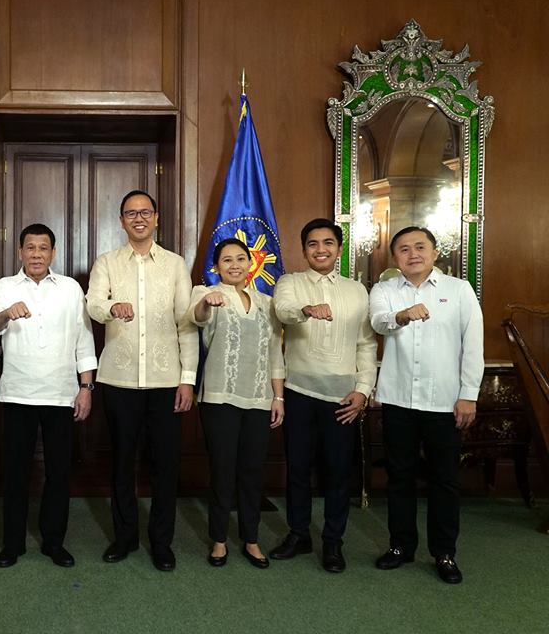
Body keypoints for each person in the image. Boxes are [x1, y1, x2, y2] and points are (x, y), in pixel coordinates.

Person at [86, 190, 198, 572]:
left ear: (156, 218)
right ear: (121, 221)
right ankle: (125, 537)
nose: (138, 218)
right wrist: (110, 306)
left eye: (145, 212)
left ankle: (161, 543)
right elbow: (93, 304)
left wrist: (187, 379)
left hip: (166, 381)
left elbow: (187, 323)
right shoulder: (107, 262)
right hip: (119, 379)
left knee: (166, 465)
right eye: (131, 213)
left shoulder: (175, 264)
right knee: (122, 462)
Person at [369, 226, 483, 584]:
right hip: (398, 399)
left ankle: (444, 553)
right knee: (399, 477)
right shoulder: (385, 290)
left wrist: (469, 394)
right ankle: (401, 546)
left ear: (435, 253)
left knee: (444, 480)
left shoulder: (459, 290)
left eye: (420, 247)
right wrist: (402, 315)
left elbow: (473, 345)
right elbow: (378, 322)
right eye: (403, 249)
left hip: (445, 401)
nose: (412, 254)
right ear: (395, 258)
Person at [0, 224, 97, 569]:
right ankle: (12, 543)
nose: (36, 254)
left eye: (43, 248)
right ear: (20, 252)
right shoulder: (4, 286)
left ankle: (54, 542)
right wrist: (6, 313)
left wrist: (86, 387)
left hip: (61, 394)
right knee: (15, 472)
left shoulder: (70, 288)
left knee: (59, 472)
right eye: (30, 248)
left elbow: (84, 339)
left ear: (53, 253)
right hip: (18, 393)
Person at [269, 218, 377, 572]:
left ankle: (333, 541)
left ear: (339, 249)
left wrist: (363, 390)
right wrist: (306, 310)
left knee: (338, 472)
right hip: (298, 392)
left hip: (342, 398)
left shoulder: (357, 291)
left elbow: (366, 344)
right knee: (298, 469)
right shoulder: (290, 283)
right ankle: (299, 534)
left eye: (328, 243)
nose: (320, 249)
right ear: (304, 250)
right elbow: (282, 311)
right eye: (312, 244)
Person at [189, 238, 285, 569]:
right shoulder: (206, 294)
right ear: (216, 267)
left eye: (240, 258)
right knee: (223, 470)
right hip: (220, 397)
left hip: (259, 398)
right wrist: (207, 302)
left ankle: (251, 539)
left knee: (252, 472)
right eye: (226, 260)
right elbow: (197, 317)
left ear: (250, 263)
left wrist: (278, 396)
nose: (234, 265)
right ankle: (218, 540)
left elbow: (274, 354)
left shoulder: (267, 302)